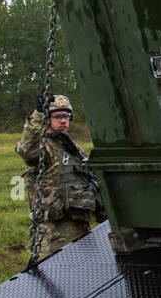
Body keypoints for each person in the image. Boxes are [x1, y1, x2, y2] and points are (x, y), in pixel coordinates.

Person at [15, 93, 106, 259]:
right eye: (57, 116)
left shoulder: (73, 148)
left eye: (66, 116)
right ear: (47, 119)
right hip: (54, 233)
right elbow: (26, 150)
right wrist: (37, 114)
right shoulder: (45, 147)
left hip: (79, 226)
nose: (63, 121)